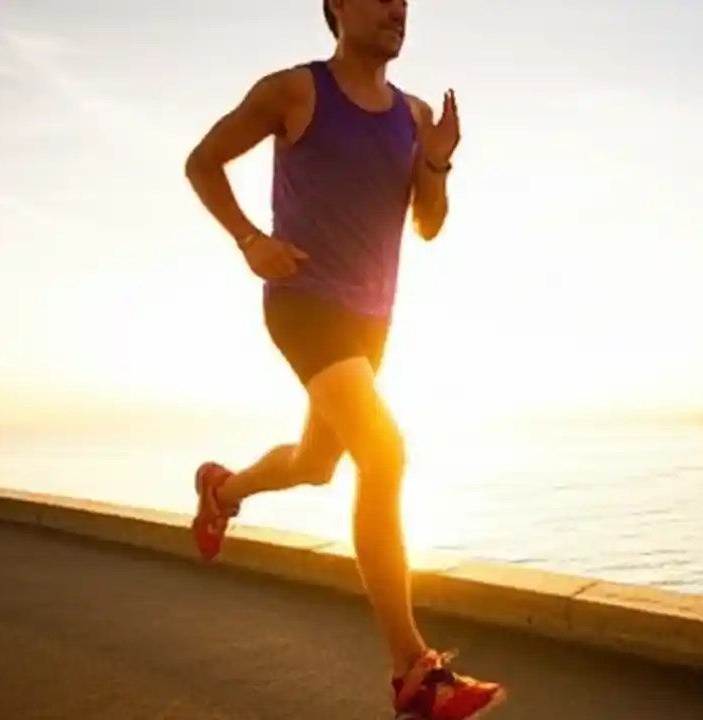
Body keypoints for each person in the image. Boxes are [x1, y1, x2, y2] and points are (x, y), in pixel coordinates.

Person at [183, 1, 505, 717]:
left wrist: (438, 160)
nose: (397, 8)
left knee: (317, 463)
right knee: (384, 454)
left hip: (370, 323)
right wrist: (248, 240)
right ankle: (413, 672)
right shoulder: (294, 92)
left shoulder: (416, 115)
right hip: (302, 302)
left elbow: (427, 224)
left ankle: (223, 491)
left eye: (405, 0)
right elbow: (201, 163)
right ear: (335, 5)